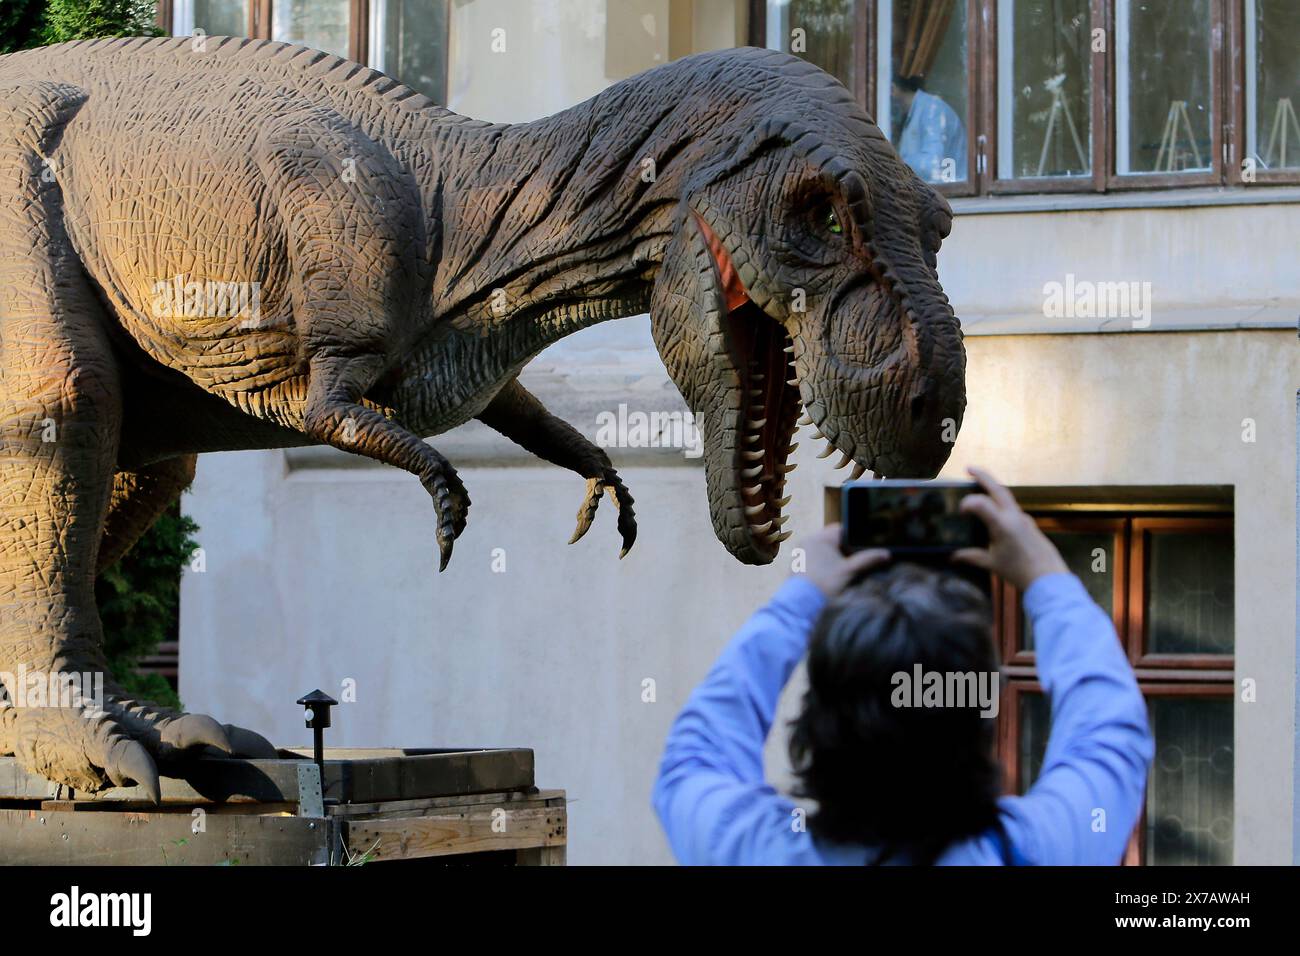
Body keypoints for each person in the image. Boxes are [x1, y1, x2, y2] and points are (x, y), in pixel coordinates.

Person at [652, 467, 1153, 865]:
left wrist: (799, 597)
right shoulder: (1035, 852)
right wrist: (1045, 574)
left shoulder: (754, 851)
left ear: (813, 724)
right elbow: (1111, 731)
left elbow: (696, 757)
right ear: (977, 722)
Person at [891, 74, 967, 184]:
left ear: (892, 89)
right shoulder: (912, 113)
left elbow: (933, 165)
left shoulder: (932, 110)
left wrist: (892, 163)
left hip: (950, 193)